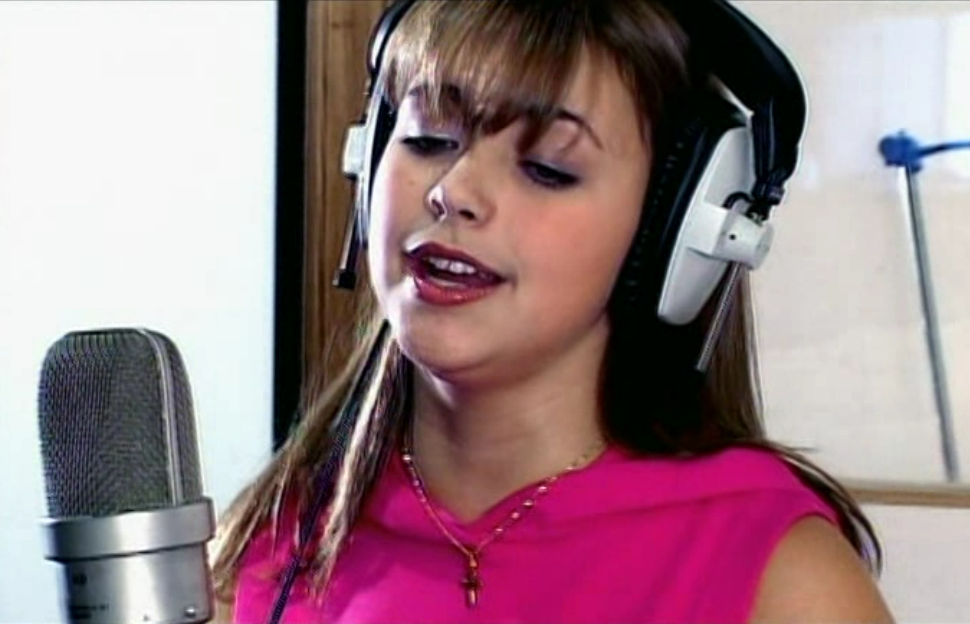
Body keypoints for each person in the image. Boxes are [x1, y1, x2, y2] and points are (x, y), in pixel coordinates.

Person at [212, 1, 894, 622]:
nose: (455, 191)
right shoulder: (261, 550)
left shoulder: (786, 582)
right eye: (428, 139)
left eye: (547, 168)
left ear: (675, 235)